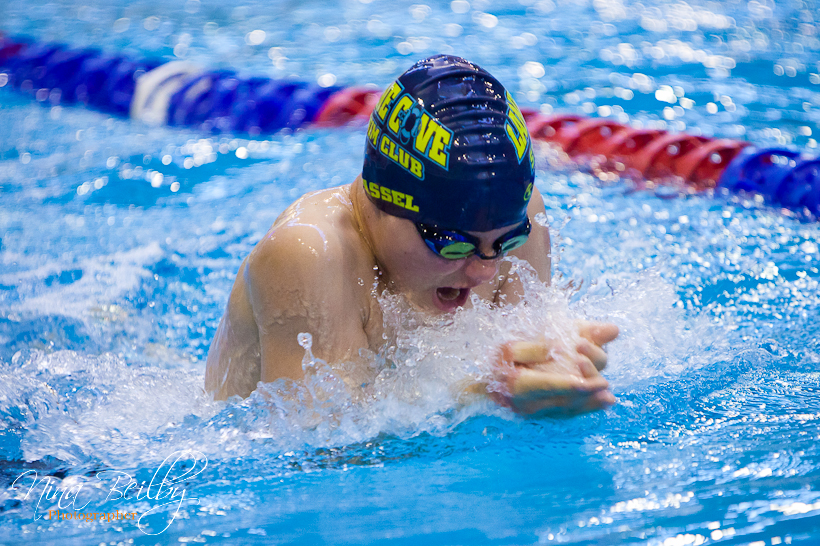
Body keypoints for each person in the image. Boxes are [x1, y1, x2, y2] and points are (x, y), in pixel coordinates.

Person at [205, 55, 618, 417]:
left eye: (504, 244)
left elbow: (525, 380)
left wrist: (560, 374)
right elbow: (323, 458)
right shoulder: (309, 254)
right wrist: (486, 397)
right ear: (384, 201)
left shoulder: (513, 221)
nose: (485, 272)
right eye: (452, 244)